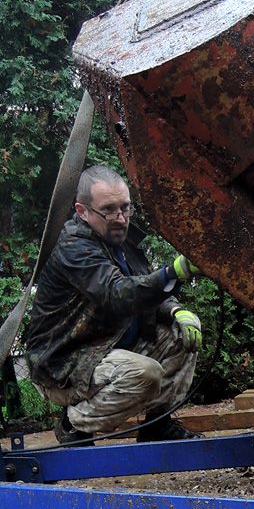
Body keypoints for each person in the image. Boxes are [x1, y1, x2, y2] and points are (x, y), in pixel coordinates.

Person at [26, 165, 204, 446]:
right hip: (66, 365)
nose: (120, 218)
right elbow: (118, 294)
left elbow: (141, 288)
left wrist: (175, 310)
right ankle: (73, 425)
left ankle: (157, 425)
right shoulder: (75, 248)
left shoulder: (122, 239)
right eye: (108, 210)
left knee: (181, 335)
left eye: (125, 207)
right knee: (144, 373)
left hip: (109, 347)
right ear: (82, 211)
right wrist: (172, 272)